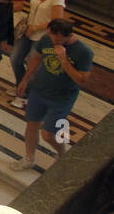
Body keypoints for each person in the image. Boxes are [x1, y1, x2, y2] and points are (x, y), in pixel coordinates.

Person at [10, 19, 94, 171]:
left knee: (48, 134)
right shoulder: (47, 39)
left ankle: (62, 154)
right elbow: (37, 58)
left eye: (56, 37)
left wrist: (63, 59)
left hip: (62, 97)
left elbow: (82, 80)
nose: (52, 39)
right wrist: (25, 79)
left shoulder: (84, 52)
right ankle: (29, 158)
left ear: (65, 35)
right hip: (39, 89)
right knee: (31, 124)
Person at [10, 0, 66, 103]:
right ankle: (21, 85)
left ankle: (26, 93)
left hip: (41, 36)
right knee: (15, 58)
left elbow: (56, 21)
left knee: (32, 64)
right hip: (28, 30)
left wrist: (36, 27)